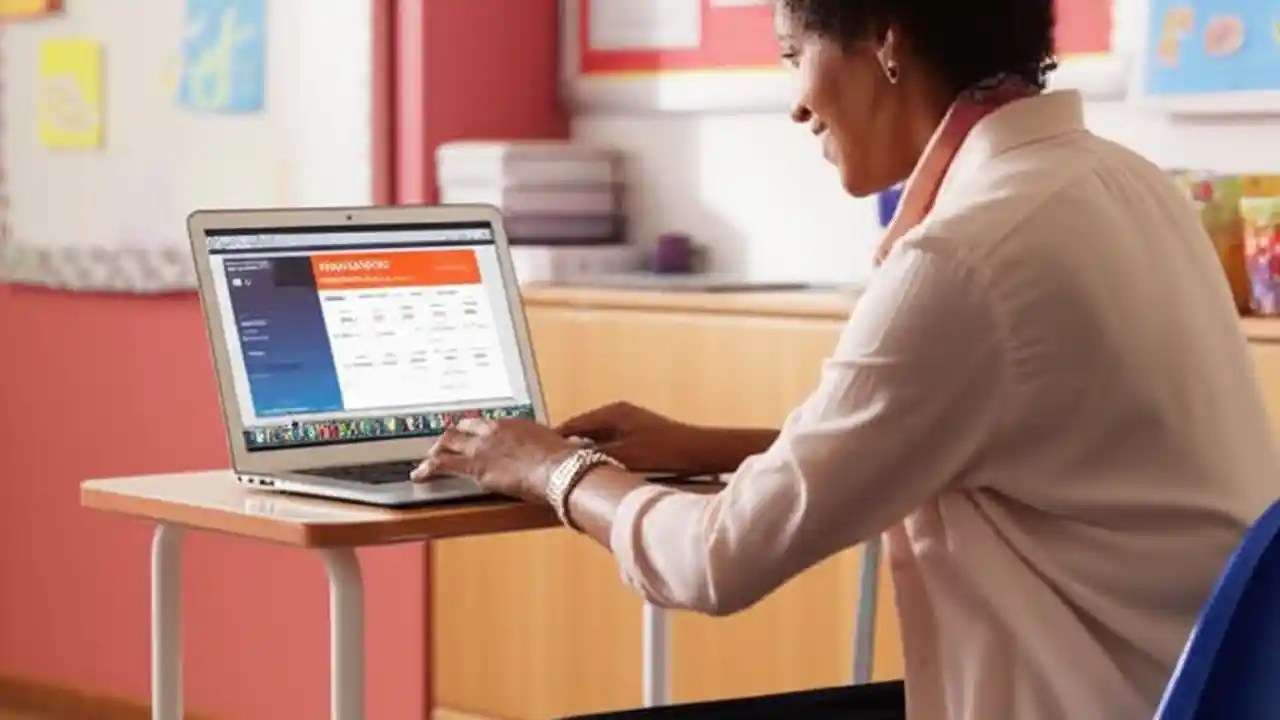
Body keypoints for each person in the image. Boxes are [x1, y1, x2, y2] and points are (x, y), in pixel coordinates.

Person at [412, 0, 1280, 717]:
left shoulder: (965, 259)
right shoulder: (1126, 185)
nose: (796, 101)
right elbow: (1014, 442)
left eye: (797, 54)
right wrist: (710, 447)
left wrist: (552, 466)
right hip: (1182, 685)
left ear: (885, 39)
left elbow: (714, 559)